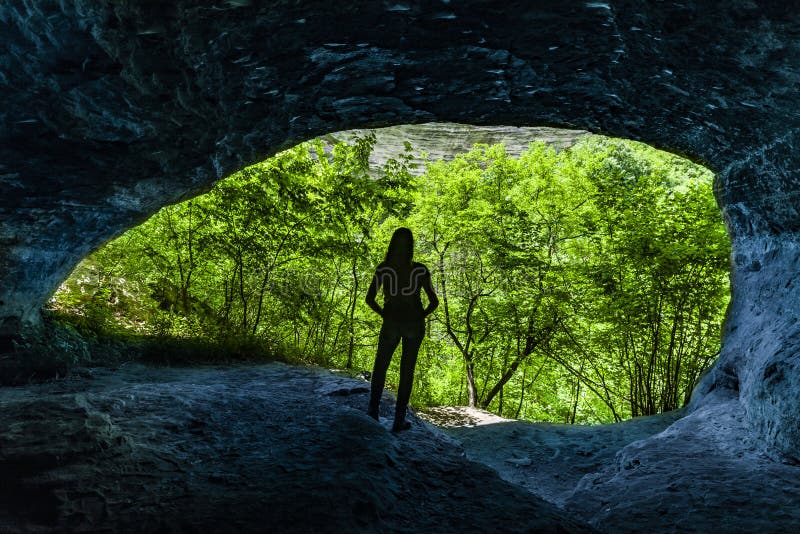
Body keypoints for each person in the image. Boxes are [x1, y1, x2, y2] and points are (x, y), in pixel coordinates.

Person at [365, 227, 439, 432]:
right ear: (410, 247)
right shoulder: (420, 270)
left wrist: (385, 314)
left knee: (381, 366)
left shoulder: (383, 269)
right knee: (407, 372)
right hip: (414, 324)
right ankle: (399, 420)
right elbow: (434, 302)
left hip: (392, 322)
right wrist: (419, 316)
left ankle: (373, 411)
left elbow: (369, 299)